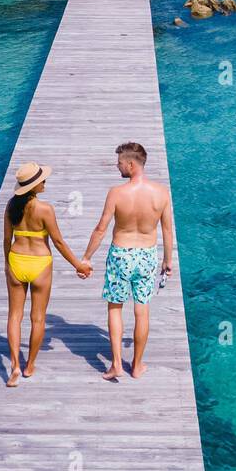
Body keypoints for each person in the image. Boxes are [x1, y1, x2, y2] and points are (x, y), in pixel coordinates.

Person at [81, 142, 173, 380]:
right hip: (146, 255)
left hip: (120, 255)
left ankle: (116, 365)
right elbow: (167, 230)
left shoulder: (117, 193)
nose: (117, 165)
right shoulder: (161, 192)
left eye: (120, 162)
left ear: (131, 164)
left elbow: (101, 229)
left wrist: (86, 258)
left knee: (115, 308)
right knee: (142, 312)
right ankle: (137, 365)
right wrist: (167, 260)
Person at [4, 162, 91, 386]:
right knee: (38, 318)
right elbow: (59, 243)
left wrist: (7, 263)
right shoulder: (45, 209)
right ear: (33, 186)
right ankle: (29, 365)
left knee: (14, 316)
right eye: (42, 180)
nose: (45, 182)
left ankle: (14, 364)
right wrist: (78, 266)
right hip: (40, 264)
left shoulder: (11, 206)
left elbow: (7, 240)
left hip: (16, 260)